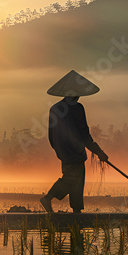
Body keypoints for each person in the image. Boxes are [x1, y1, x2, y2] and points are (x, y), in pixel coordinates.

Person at [40, 70, 108, 214]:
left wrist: (59, 150)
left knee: (76, 181)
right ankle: (48, 198)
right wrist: (99, 152)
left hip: (63, 152)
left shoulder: (55, 109)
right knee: (72, 179)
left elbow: (51, 136)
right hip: (75, 152)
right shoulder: (77, 108)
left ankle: (76, 210)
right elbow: (84, 134)